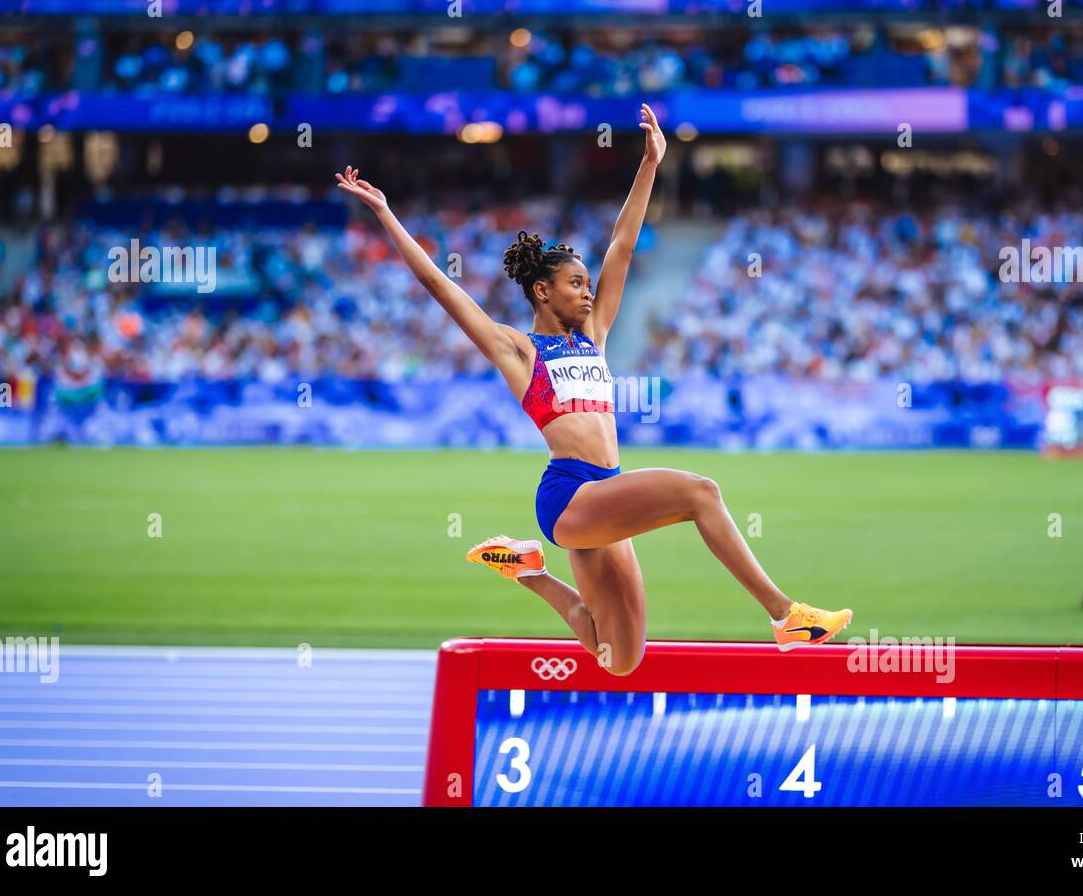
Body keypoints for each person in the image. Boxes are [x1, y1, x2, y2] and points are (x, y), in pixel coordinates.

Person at [334, 105, 851, 675]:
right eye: (574, 284)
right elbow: (438, 283)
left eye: (587, 283)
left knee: (619, 658)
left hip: (608, 491)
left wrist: (650, 164)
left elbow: (623, 246)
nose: (587, 293)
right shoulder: (518, 351)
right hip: (571, 496)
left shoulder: (595, 337)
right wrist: (386, 213)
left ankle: (528, 569)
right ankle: (785, 616)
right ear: (541, 290)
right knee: (700, 492)